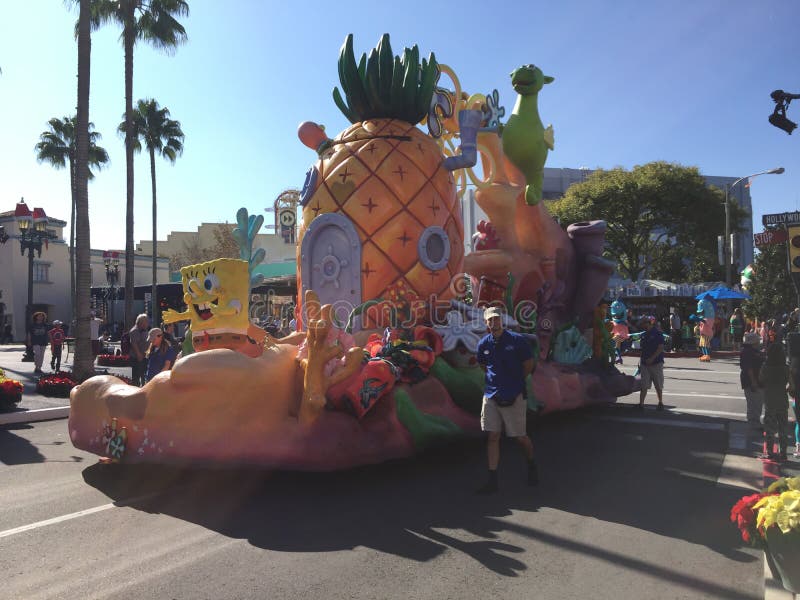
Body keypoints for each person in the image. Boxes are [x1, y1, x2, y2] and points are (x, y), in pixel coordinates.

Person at [475, 306, 536, 494]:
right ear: (486, 323)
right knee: (493, 436)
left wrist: (515, 382)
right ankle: (492, 479)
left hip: (514, 393)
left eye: (496, 319)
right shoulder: (483, 344)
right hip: (491, 394)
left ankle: (531, 464)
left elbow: (528, 365)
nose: (494, 322)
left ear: (501, 320)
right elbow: (483, 366)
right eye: (490, 320)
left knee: (519, 437)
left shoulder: (517, 341)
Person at [760, 343, 790, 461]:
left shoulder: (765, 367)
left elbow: (761, 380)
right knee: (783, 428)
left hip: (770, 400)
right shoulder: (785, 367)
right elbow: (790, 383)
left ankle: (770, 452)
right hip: (782, 400)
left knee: (770, 428)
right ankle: (783, 453)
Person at [638, 315, 665, 410]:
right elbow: (642, 349)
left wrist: (652, 358)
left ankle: (660, 403)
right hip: (645, 363)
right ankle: (641, 404)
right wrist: (640, 362)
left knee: (658, 384)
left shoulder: (657, 333)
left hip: (656, 363)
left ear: (648, 323)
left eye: (643, 324)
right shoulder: (643, 334)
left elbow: (660, 347)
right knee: (644, 385)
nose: (642, 326)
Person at [740, 332, 764, 430]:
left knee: (755, 402)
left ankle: (754, 422)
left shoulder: (751, 351)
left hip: (753, 380)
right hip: (752, 381)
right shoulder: (748, 352)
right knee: (754, 402)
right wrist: (754, 381)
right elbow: (749, 368)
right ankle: (754, 423)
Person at [128, 314, 150, 386]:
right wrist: (139, 354)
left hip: (144, 356)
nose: (148, 323)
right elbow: (134, 343)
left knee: (143, 374)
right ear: (141, 322)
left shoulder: (144, 330)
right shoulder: (135, 330)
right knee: (136, 376)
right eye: (146, 321)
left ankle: (143, 387)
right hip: (137, 357)